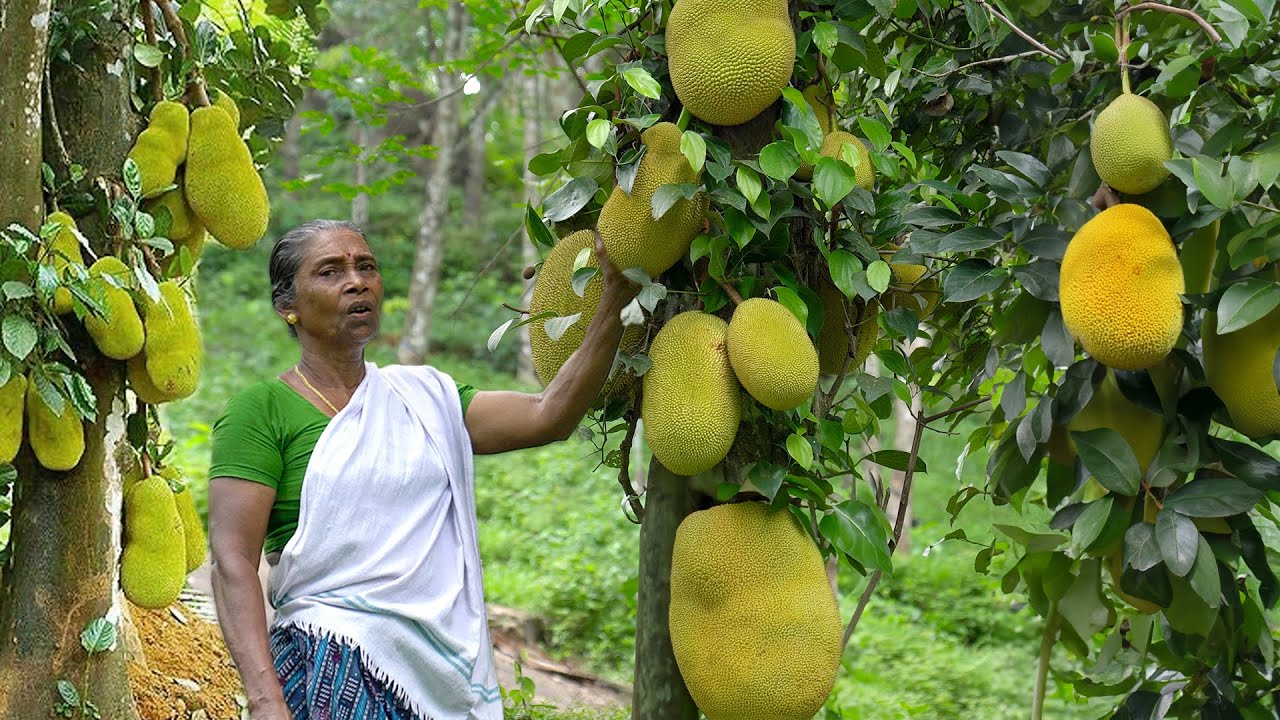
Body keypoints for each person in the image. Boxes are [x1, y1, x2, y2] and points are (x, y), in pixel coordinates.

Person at [208, 219, 640, 720]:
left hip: (437, 677)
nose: (357, 281)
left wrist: (612, 302)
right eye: (330, 271)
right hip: (326, 662)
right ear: (289, 307)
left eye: (365, 266)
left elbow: (549, 414)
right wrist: (265, 700)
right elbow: (232, 561)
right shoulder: (260, 411)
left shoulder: (422, 397)